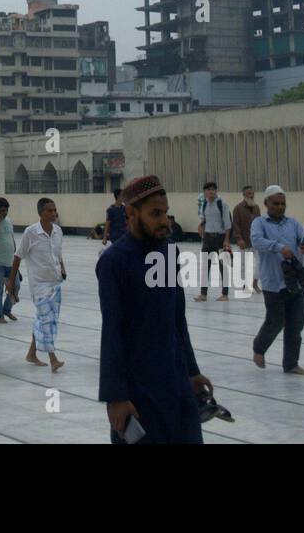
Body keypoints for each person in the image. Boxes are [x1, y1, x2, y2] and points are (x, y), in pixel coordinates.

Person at [98, 174, 210, 444]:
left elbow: (177, 319)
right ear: (131, 213)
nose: (164, 221)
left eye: (165, 213)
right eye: (155, 213)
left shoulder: (168, 252)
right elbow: (112, 331)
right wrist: (115, 396)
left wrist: (192, 372)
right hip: (139, 391)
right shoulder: (115, 262)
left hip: (176, 383)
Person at [250, 185, 304, 375]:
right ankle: (259, 348)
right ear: (266, 204)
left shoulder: (293, 223)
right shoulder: (259, 223)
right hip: (273, 282)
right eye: (276, 203)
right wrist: (278, 247)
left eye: (283, 203)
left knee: (296, 324)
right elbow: (256, 241)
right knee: (275, 321)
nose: (280, 207)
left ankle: (291, 363)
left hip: (293, 282)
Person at [8, 198, 66, 372]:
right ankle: (53, 358)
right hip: (39, 286)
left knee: (43, 320)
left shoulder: (58, 231)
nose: (54, 213)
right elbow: (18, 257)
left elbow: (58, 253)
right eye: (49, 210)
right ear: (40, 213)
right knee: (47, 321)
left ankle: (31, 354)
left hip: (55, 283)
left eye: (54, 210)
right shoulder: (30, 232)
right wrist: (11, 282)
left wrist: (63, 268)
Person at [194, 181, 232, 301]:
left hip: (220, 238)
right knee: (205, 266)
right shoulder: (204, 204)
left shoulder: (222, 204)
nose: (211, 192)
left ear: (216, 191)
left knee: (223, 267)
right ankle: (203, 294)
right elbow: (205, 219)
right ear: (205, 192)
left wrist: (226, 240)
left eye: (213, 189)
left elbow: (227, 224)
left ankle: (225, 294)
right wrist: (201, 225)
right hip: (207, 238)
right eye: (208, 190)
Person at [231, 186, 261, 294]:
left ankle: (254, 282)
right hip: (244, 240)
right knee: (244, 265)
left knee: (260, 263)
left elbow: (259, 223)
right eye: (248, 193)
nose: (251, 195)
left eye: (252, 193)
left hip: (256, 241)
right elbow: (235, 224)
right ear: (244, 195)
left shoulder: (256, 207)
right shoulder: (238, 208)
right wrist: (239, 238)